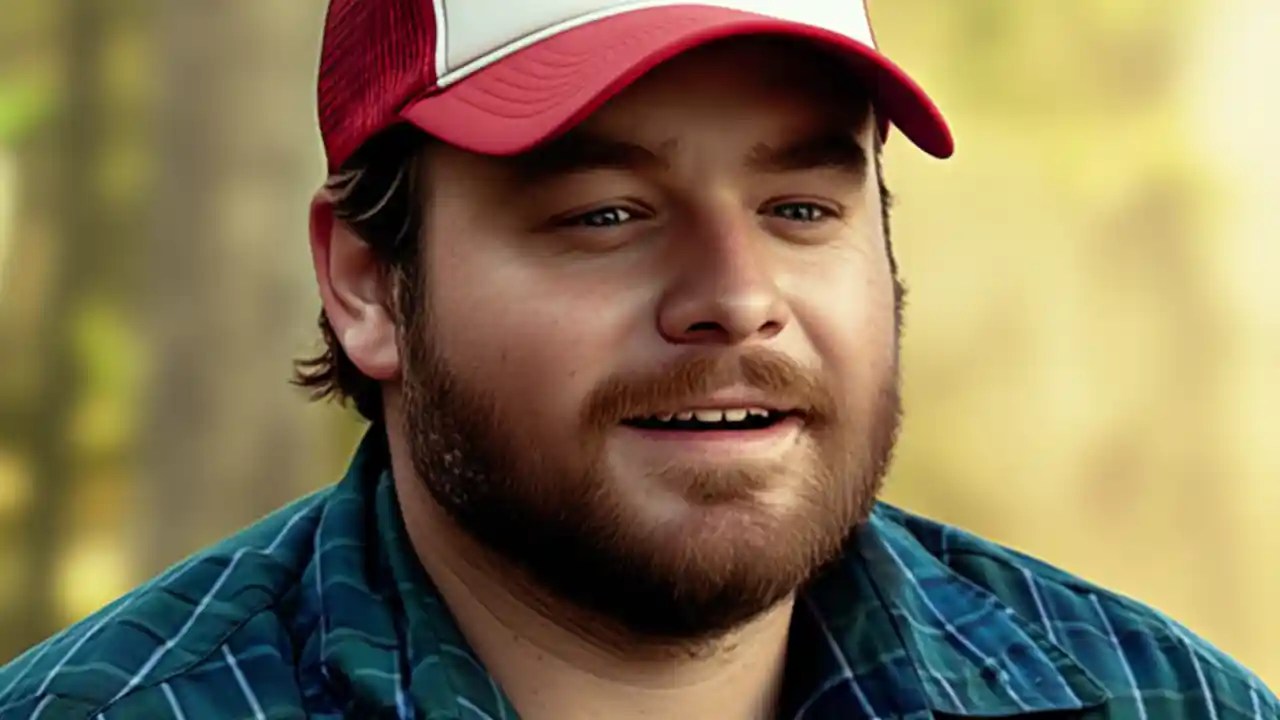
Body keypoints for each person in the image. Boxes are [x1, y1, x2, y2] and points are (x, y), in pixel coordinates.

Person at [1, 1, 1275, 718]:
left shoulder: (1157, 700)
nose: (736, 299)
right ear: (365, 283)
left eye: (801, 210)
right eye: (605, 213)